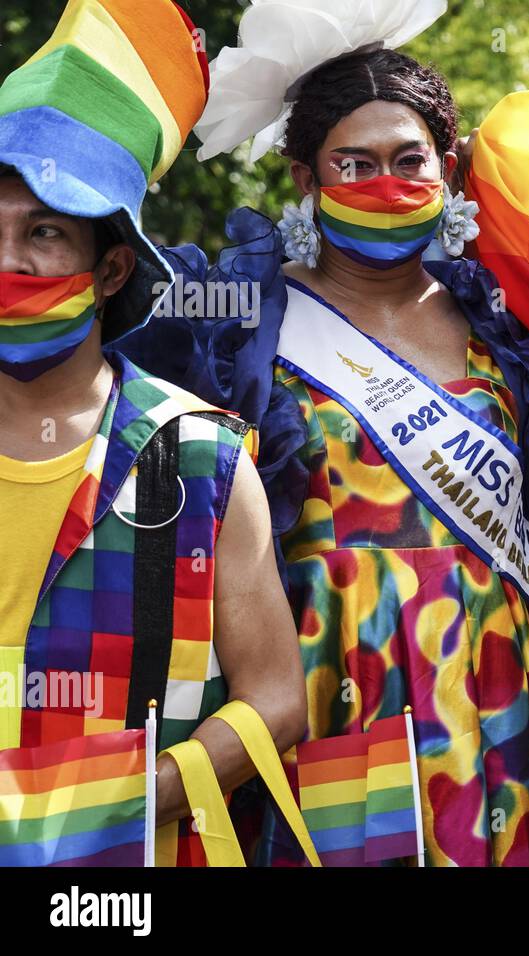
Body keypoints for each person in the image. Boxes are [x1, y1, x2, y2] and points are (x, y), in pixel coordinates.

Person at [121, 9, 529, 865]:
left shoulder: (506, 322)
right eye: (354, 164)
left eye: (410, 162)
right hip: (319, 666)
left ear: (447, 170)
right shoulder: (234, 314)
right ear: (306, 177)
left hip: (492, 671)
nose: (387, 182)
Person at [0, 0, 305, 865]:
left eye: (45, 232)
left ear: (112, 270)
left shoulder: (199, 456)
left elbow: (277, 698)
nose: (10, 262)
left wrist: (121, 801)